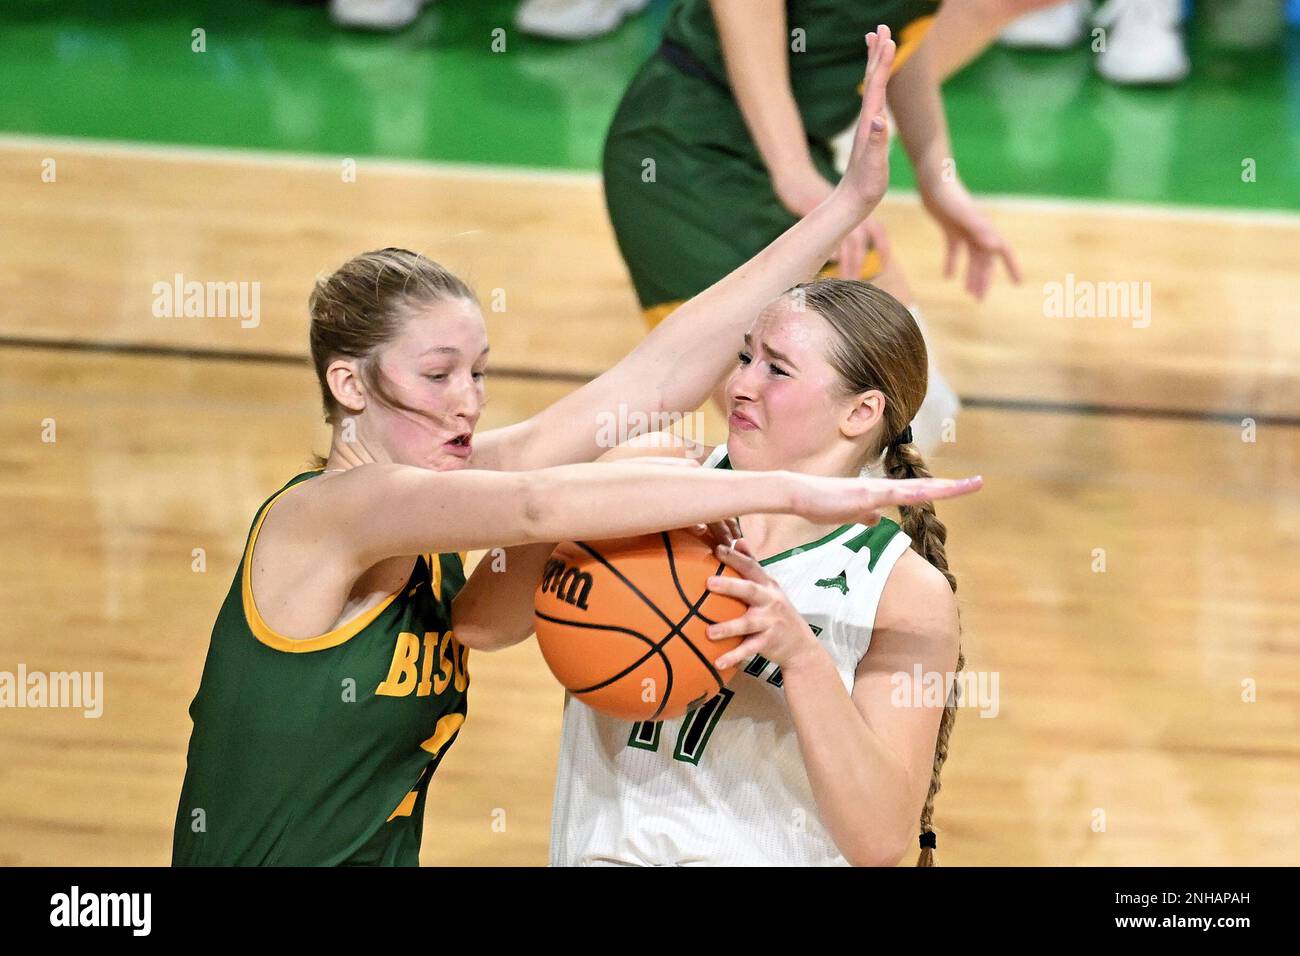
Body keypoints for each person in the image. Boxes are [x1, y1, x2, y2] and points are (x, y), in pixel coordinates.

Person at [171, 26, 979, 865]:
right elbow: (537, 505)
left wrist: (842, 207)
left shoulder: (450, 493)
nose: (469, 405)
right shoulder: (346, 508)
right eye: (438, 375)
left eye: (478, 374)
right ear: (348, 386)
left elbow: (651, 381)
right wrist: (779, 491)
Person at [601, 0, 1023, 453]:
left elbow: (901, 34)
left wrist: (935, 174)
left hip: (801, 159)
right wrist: (798, 177)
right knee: (813, 452)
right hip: (687, 165)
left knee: (917, 419)